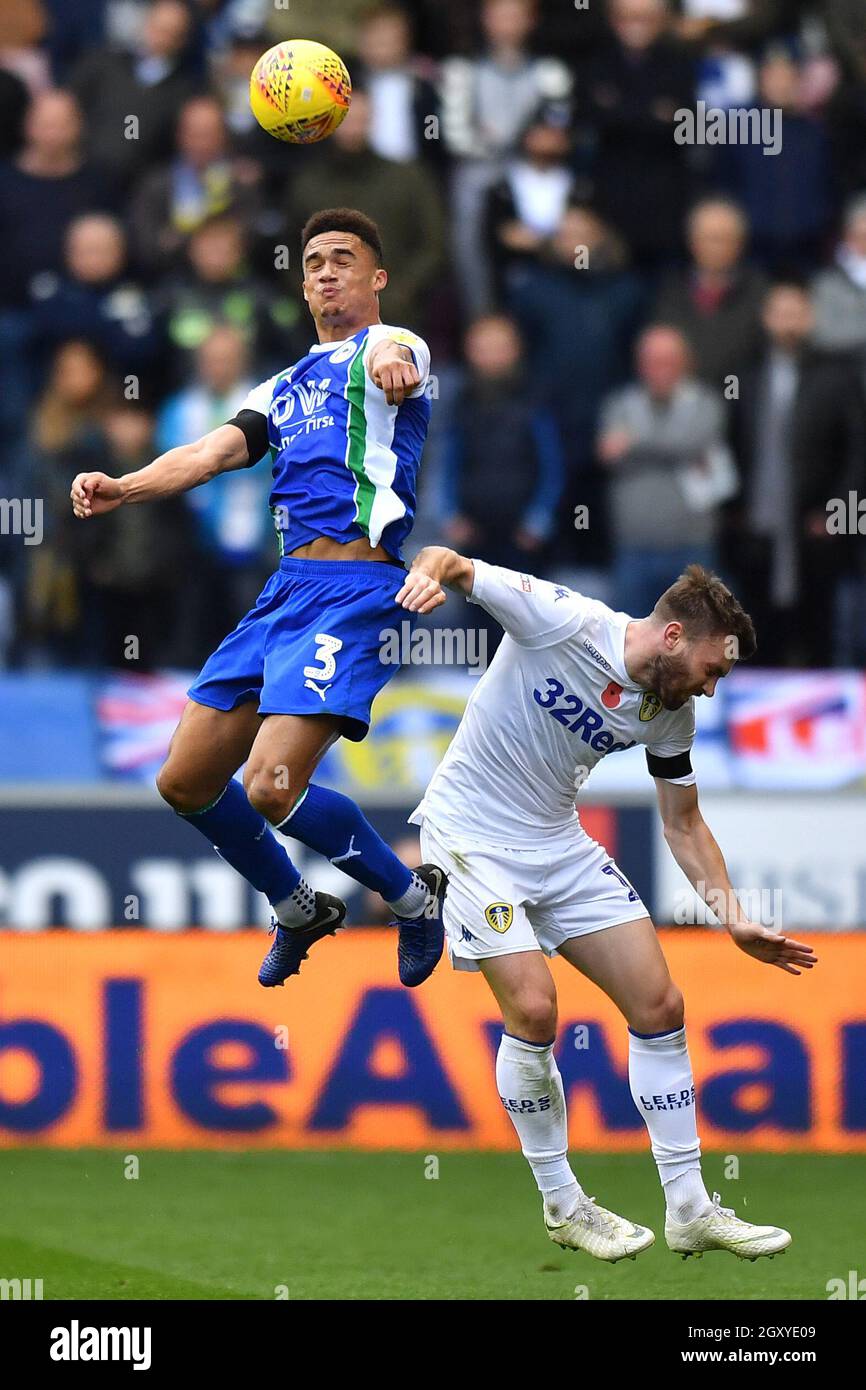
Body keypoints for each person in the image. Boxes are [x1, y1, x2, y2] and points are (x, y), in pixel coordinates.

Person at [397, 544, 816, 1261]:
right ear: (675, 637)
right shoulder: (564, 620)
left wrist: (732, 915)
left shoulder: (670, 712)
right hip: (468, 836)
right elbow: (450, 560)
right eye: (714, 670)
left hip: (558, 843)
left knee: (660, 1005)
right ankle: (564, 1205)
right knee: (532, 1008)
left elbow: (682, 822)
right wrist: (426, 578)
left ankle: (689, 1208)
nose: (712, 689)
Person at [70, 207, 446, 989]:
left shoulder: (394, 348)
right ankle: (298, 904)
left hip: (354, 591)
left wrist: (394, 359)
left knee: (271, 786)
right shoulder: (279, 387)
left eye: (342, 259)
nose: (325, 272)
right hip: (285, 591)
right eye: (312, 264)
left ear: (377, 278)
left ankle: (412, 899)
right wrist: (125, 486)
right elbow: (210, 453)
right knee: (183, 781)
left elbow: (396, 351)